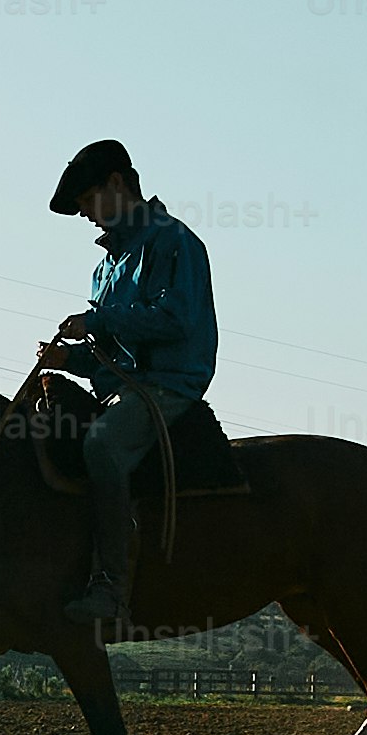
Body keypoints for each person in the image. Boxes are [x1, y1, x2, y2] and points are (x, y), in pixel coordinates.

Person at [46, 139, 216, 627]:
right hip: (120, 389)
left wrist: (97, 323)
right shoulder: (105, 268)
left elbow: (176, 318)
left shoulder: (173, 240)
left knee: (101, 445)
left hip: (168, 386)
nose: (86, 217)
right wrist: (69, 359)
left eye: (87, 203)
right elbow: (110, 356)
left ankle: (112, 590)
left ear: (117, 184)